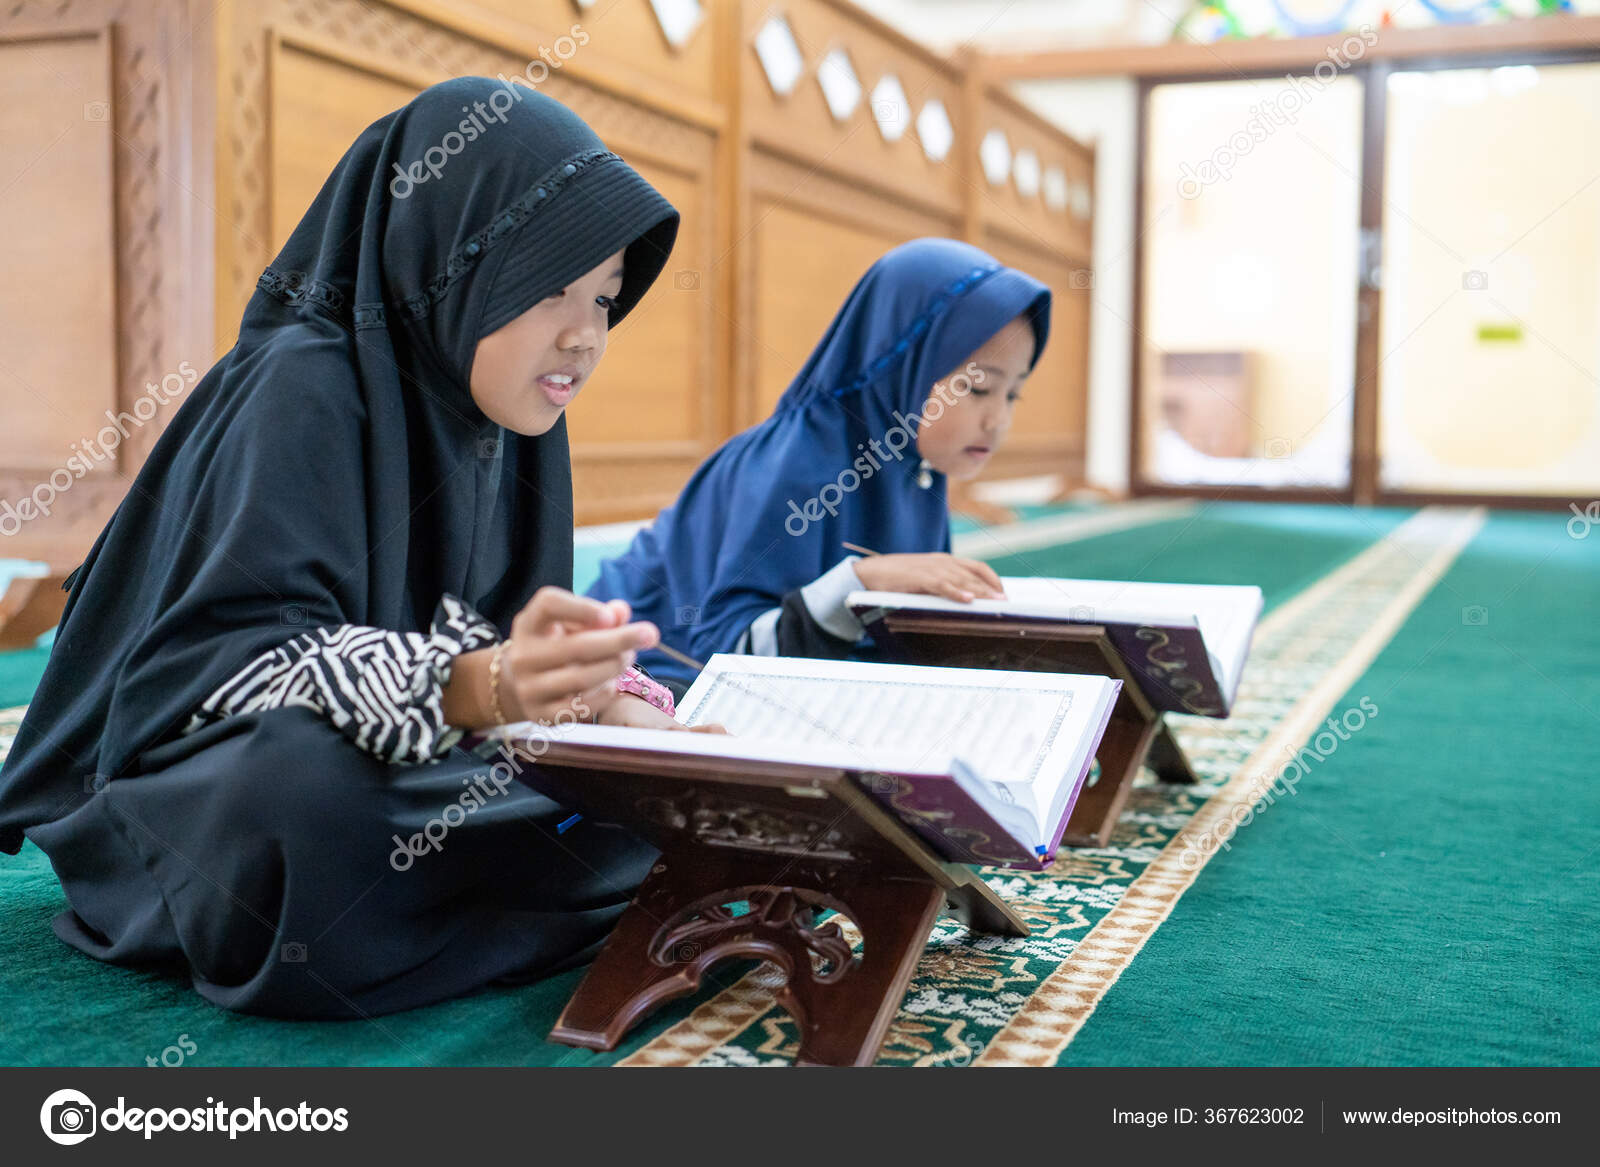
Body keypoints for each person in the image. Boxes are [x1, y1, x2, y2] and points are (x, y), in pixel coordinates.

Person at [0, 77, 703, 1018]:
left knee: (669, 729)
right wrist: (484, 688)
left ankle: (512, 888)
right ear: (447, 257)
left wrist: (604, 703)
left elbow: (505, 670)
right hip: (208, 790)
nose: (584, 338)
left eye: (606, 300)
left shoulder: (512, 422)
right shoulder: (304, 387)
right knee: (309, 790)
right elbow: (234, 667)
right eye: (549, 290)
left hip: (432, 772)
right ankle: (551, 885)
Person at [587, 238, 1051, 691]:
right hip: (636, 656)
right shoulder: (801, 460)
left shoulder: (915, 466)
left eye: (1014, 394)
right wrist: (858, 583)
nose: (998, 420)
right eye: (978, 389)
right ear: (902, 365)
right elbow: (728, 658)